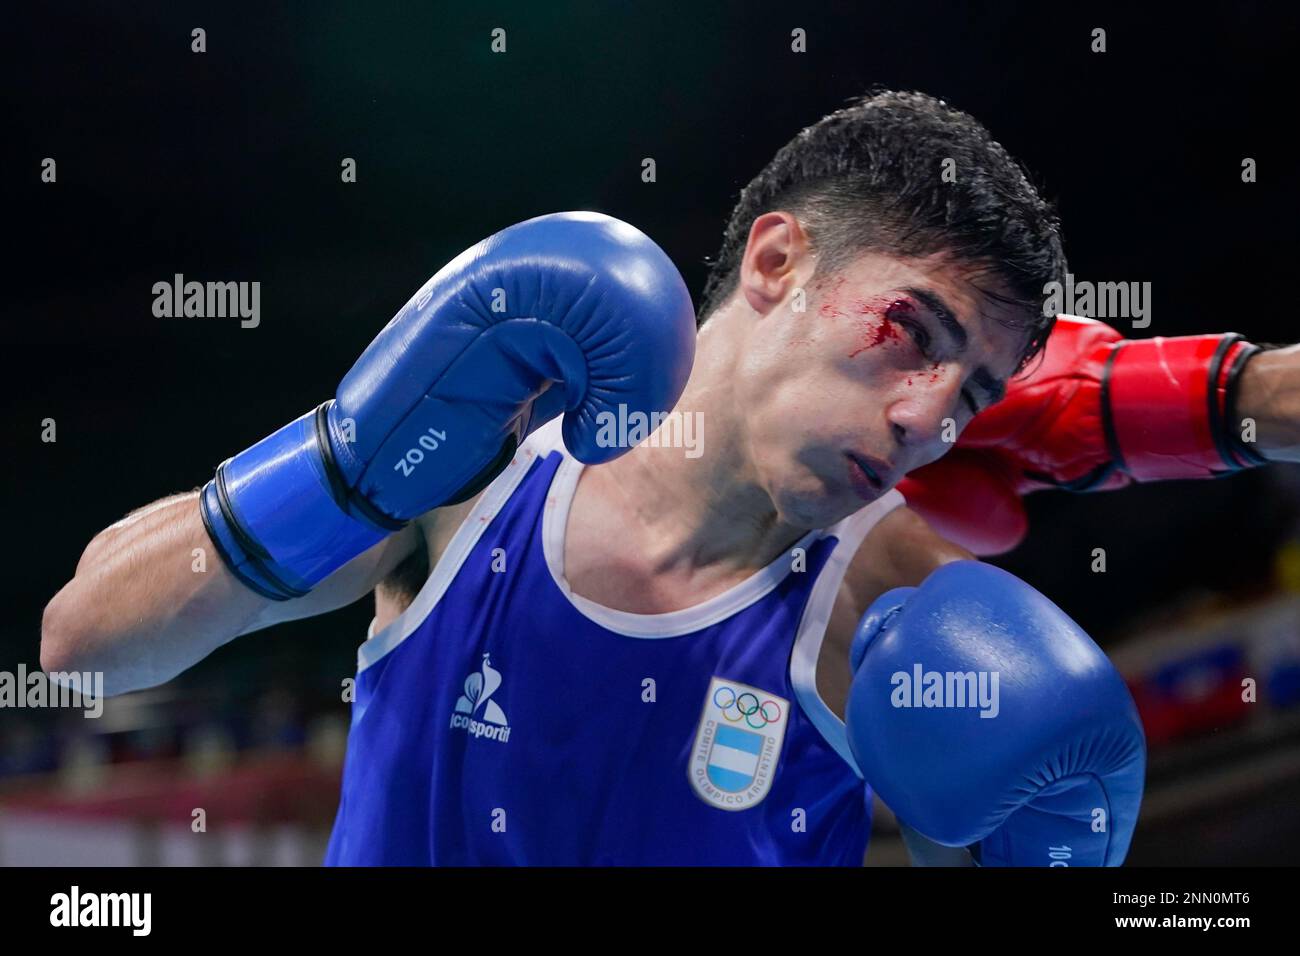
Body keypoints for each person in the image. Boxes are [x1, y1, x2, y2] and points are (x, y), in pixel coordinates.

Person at [40, 90, 1285, 865]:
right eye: (910, 331)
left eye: (968, 396)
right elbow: (84, 645)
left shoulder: (895, 603)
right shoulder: (482, 465)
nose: (921, 416)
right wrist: (350, 465)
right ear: (777, 257)